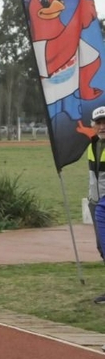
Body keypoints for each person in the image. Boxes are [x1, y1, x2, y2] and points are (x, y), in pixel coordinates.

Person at [87, 107, 105, 304]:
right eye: (98, 123)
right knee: (102, 246)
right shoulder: (92, 145)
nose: (102, 127)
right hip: (95, 203)